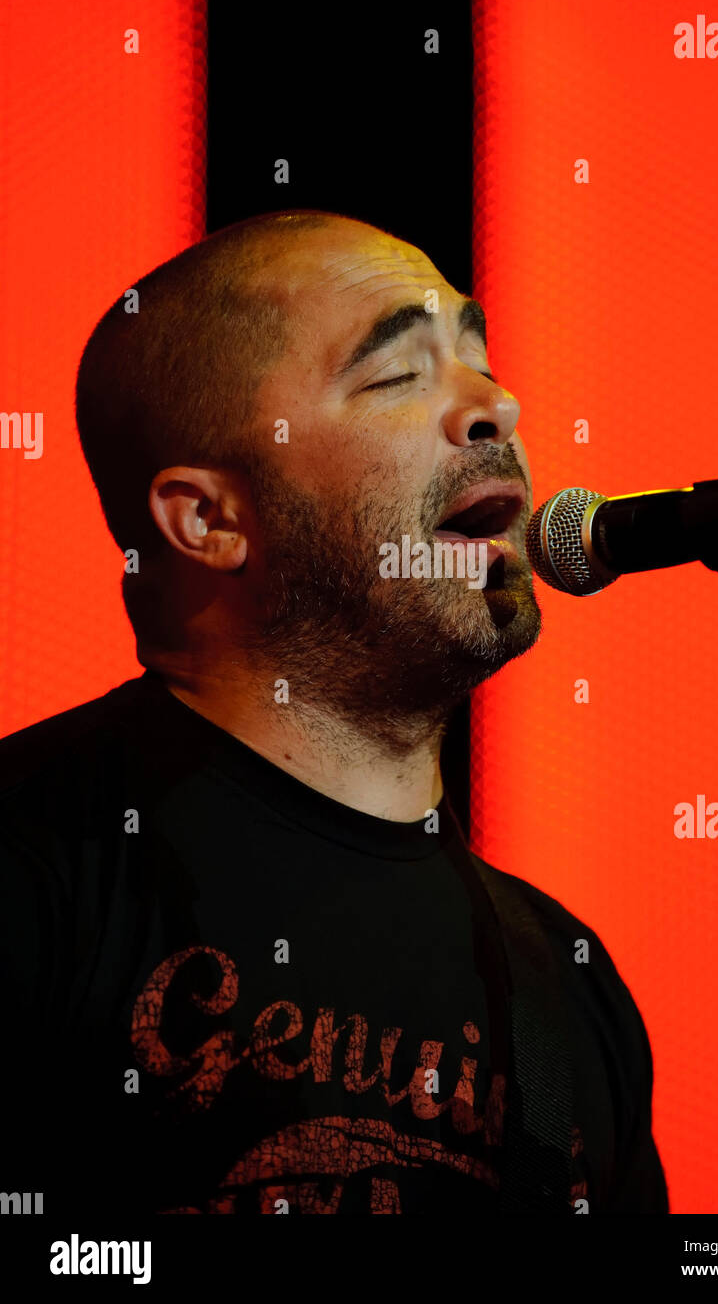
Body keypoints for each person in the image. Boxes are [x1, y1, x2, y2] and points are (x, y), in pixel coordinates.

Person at [0, 211, 668, 1215]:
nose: (494, 404)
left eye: (479, 358)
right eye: (399, 374)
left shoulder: (562, 983)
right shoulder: (32, 861)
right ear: (209, 518)